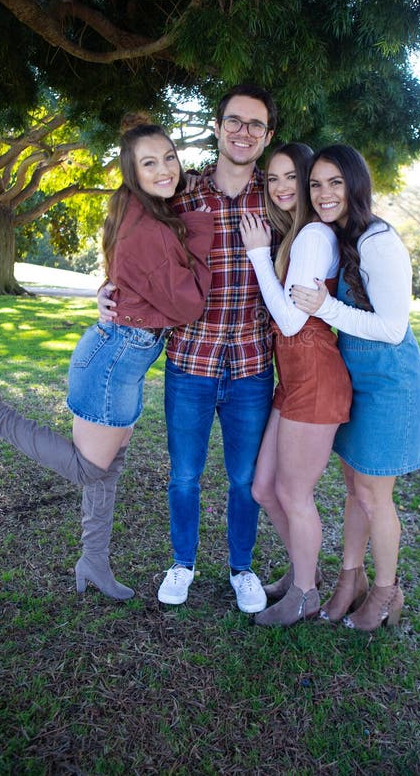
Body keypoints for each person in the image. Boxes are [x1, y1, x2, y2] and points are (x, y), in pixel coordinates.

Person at [0, 117, 214, 602]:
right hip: (113, 362)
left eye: (170, 158)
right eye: (150, 163)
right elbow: (190, 304)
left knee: (111, 461)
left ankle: (94, 562)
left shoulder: (134, 206)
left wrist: (187, 189)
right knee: (90, 469)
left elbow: (132, 279)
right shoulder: (147, 226)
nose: (165, 169)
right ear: (131, 172)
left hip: (120, 353)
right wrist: (204, 224)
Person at [98, 84, 277, 613]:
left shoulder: (278, 193)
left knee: (245, 478)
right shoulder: (182, 191)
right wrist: (108, 287)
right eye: (234, 121)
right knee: (184, 474)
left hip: (251, 365)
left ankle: (242, 568)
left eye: (256, 125)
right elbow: (130, 238)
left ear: (267, 137)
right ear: (218, 127)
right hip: (190, 364)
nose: (244, 132)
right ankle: (183, 562)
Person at [290, 144, 420, 631]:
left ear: (355, 184)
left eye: (335, 182)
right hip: (358, 382)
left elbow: (392, 328)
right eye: (316, 184)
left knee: (375, 495)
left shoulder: (378, 240)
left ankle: (387, 592)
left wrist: (324, 307)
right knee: (354, 488)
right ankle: (350, 580)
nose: (324, 193)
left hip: (390, 385)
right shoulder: (340, 235)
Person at [238, 142, 352, 626]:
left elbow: (288, 322)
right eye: (273, 179)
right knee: (264, 488)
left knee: (293, 493)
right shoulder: (298, 235)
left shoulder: (311, 238)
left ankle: (305, 593)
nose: (282, 188)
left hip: (316, 379)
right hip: (295, 379)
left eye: (292, 178)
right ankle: (302, 571)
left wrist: (259, 256)